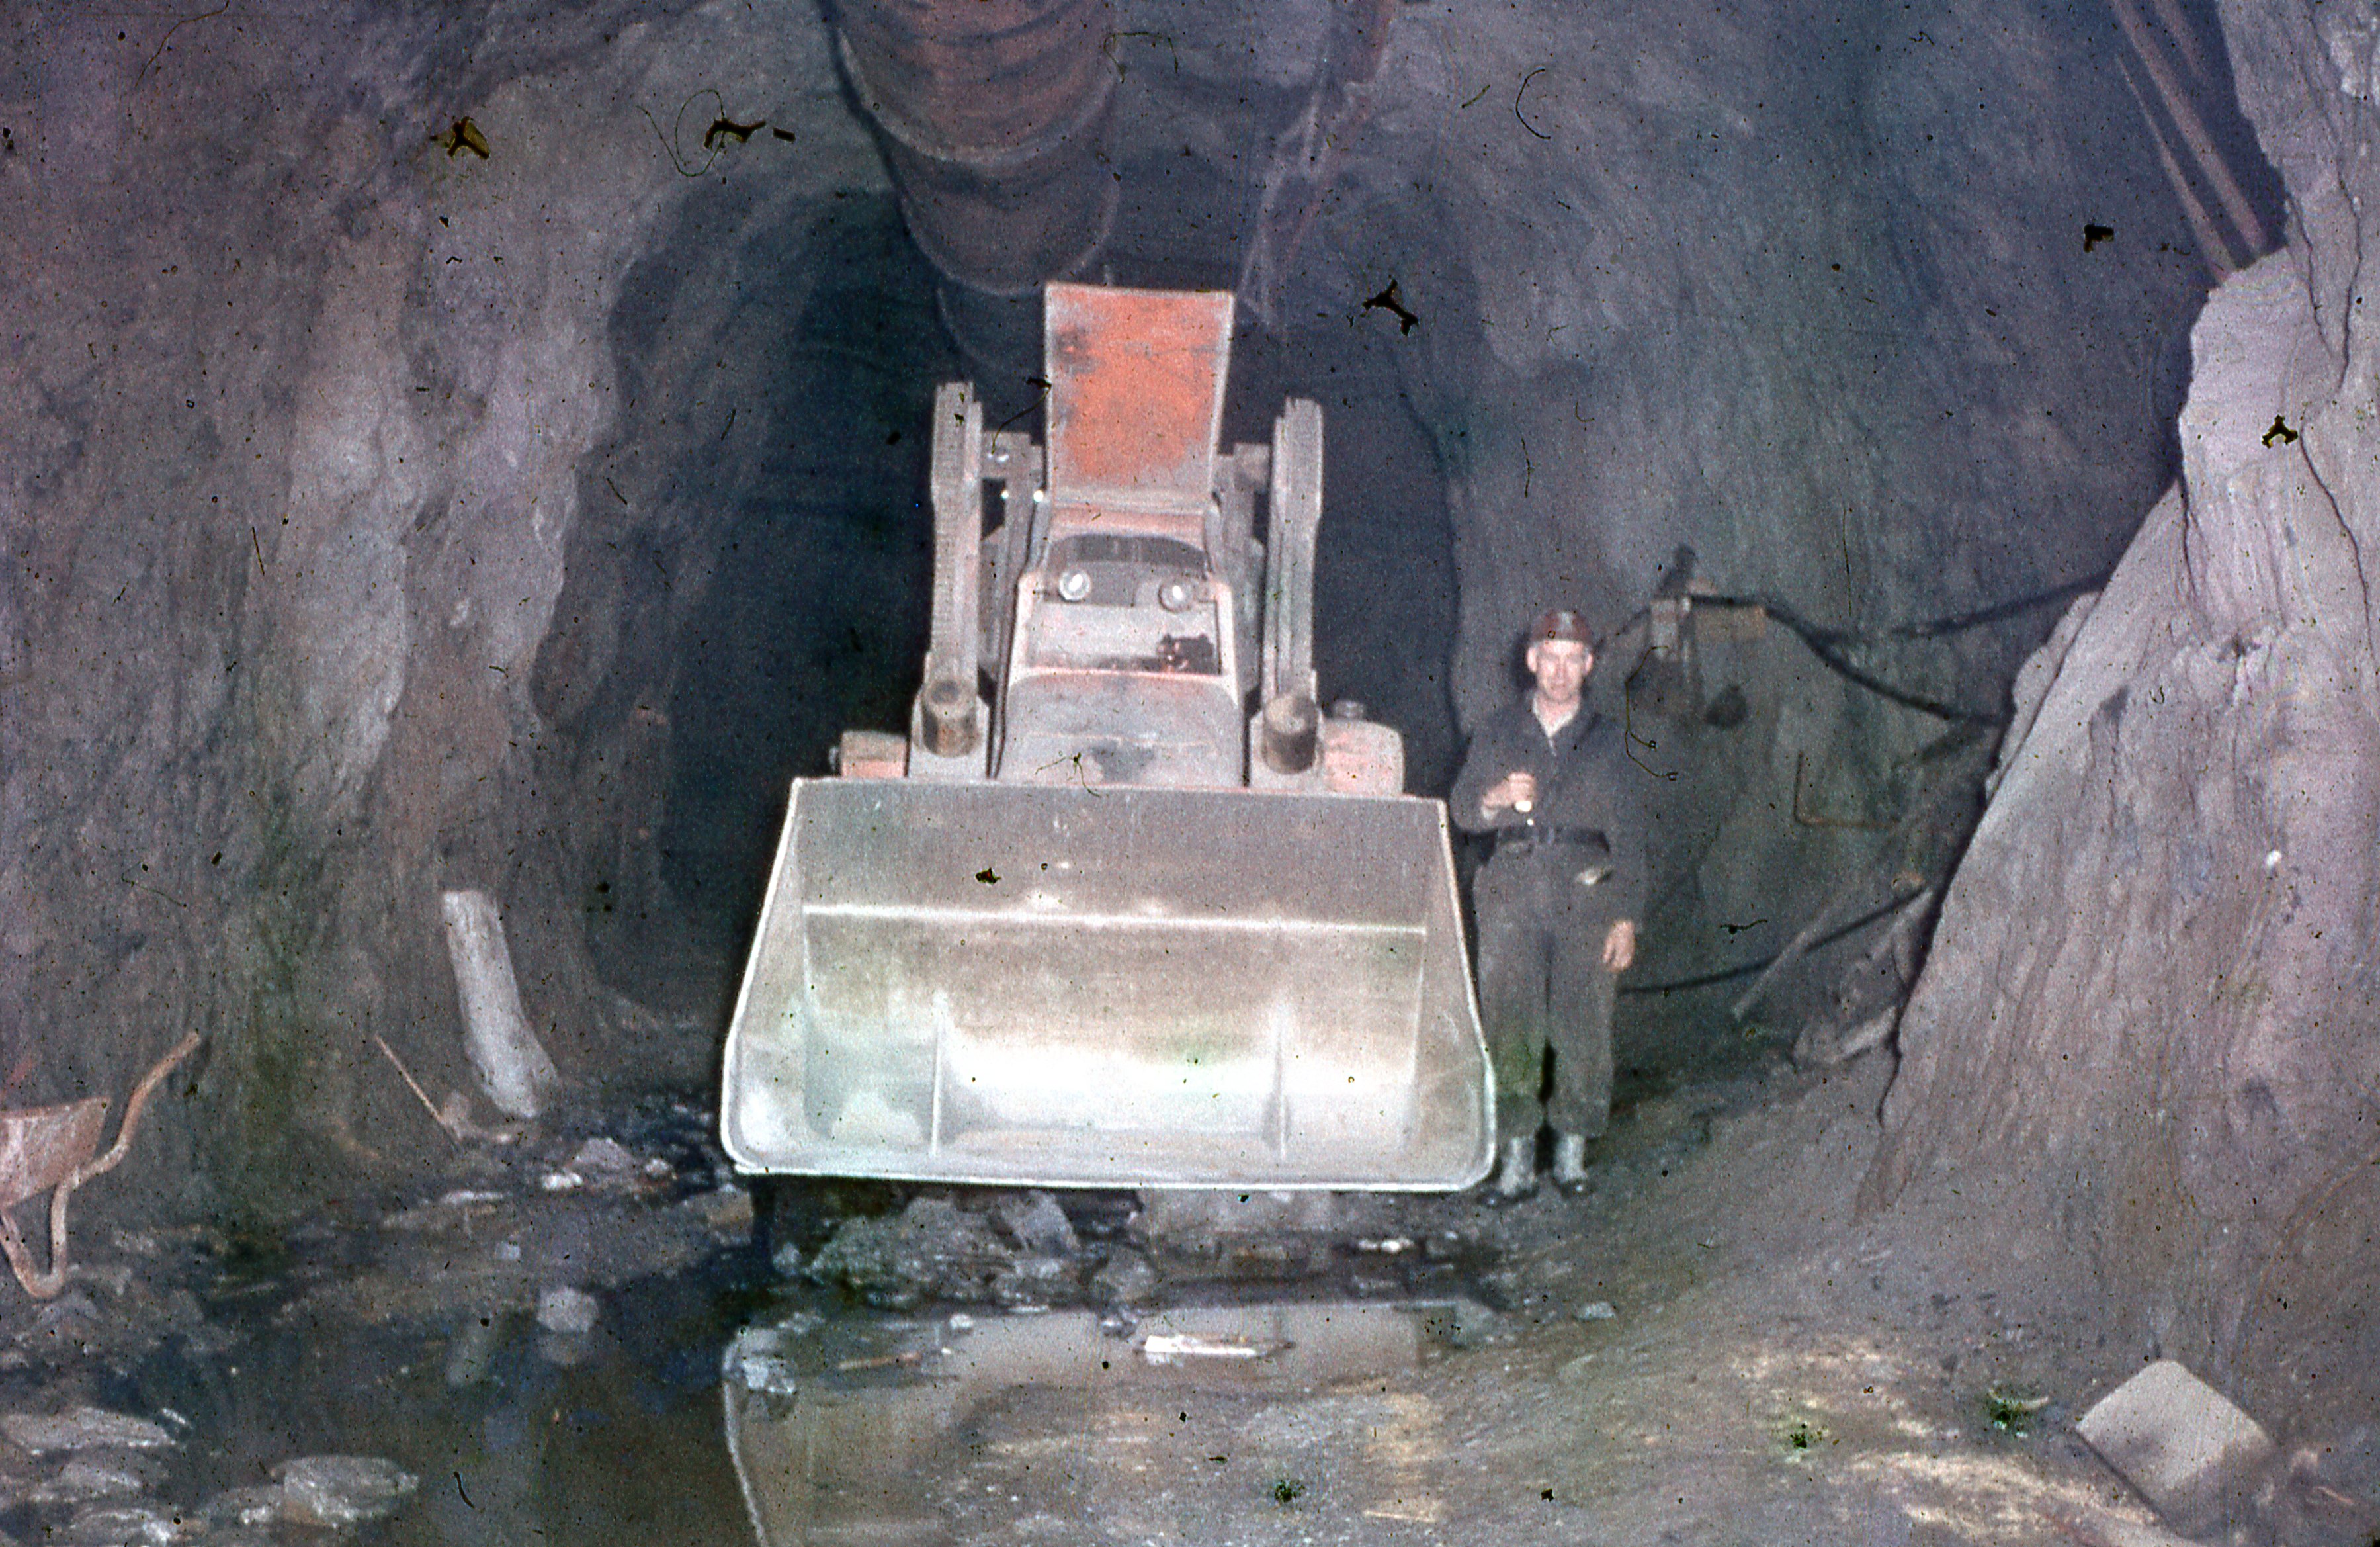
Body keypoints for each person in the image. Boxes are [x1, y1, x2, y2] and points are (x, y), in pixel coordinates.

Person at [1450, 608, 1649, 1200]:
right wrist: (1494, 797)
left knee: (1584, 1021)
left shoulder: (1608, 740)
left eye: (1572, 660)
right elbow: (1461, 810)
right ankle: (1515, 1160)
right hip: (1511, 890)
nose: (1560, 672)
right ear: (1532, 660)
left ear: (1588, 666)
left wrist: (1627, 917)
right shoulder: (1497, 731)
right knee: (1510, 1023)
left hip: (1586, 892)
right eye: (1550, 658)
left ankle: (1572, 1156)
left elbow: (1633, 835)